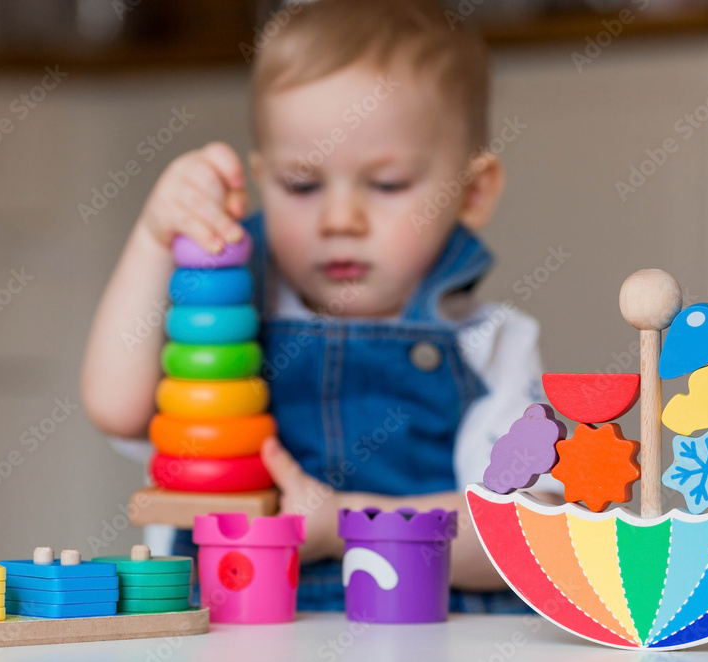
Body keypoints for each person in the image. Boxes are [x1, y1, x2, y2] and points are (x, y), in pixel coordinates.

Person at [81, 0, 559, 613]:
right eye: (302, 185)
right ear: (262, 179)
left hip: (431, 644)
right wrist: (155, 238)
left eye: (386, 184)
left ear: (471, 191)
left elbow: (524, 538)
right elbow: (116, 406)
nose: (339, 219)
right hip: (233, 642)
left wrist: (344, 523)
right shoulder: (224, 315)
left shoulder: (490, 345)